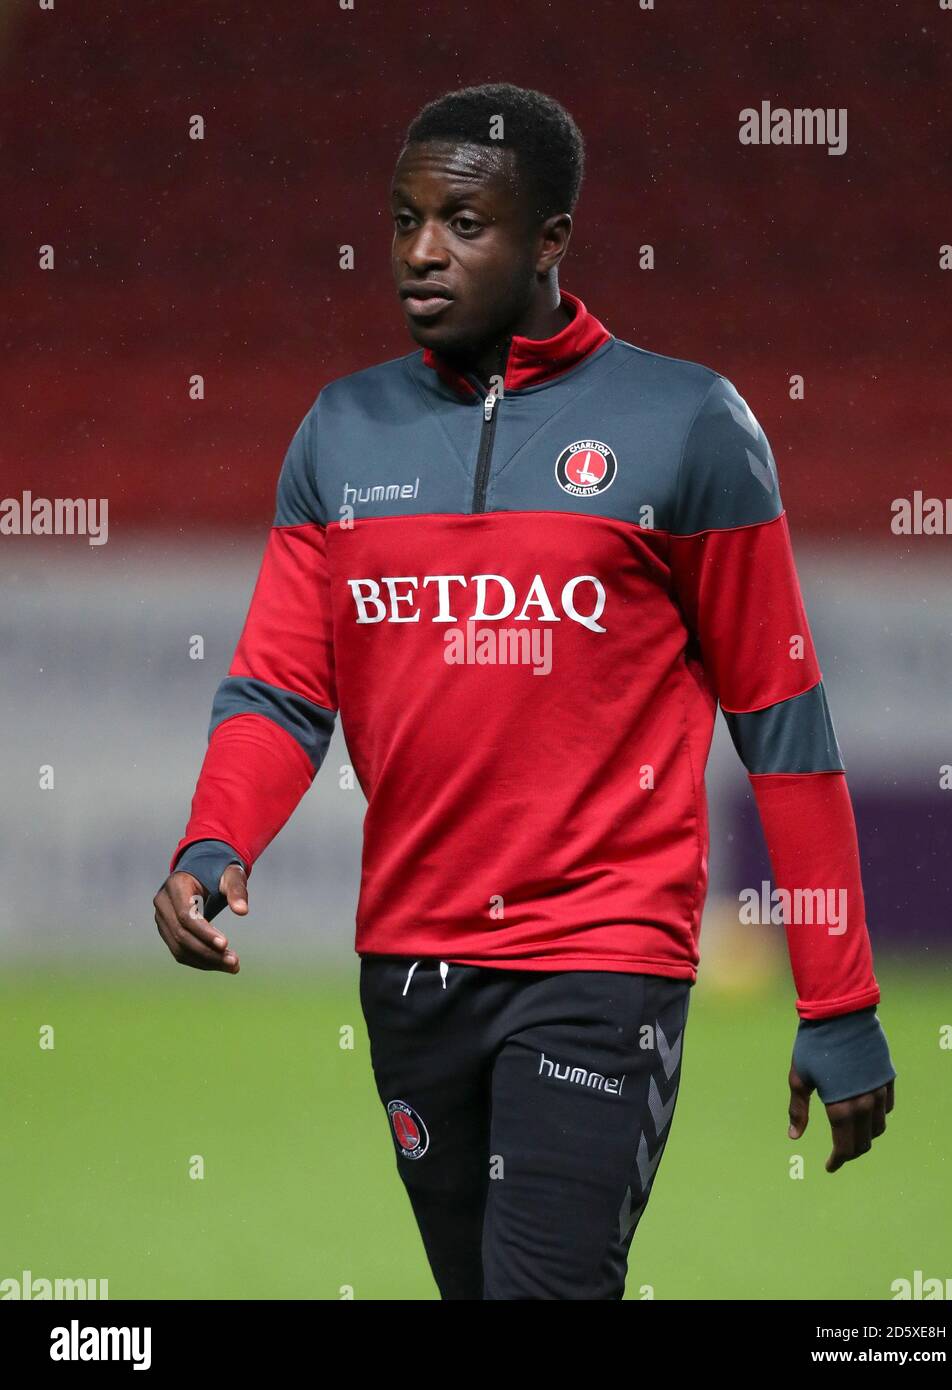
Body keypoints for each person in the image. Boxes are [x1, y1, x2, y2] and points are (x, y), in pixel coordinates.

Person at [153, 82, 896, 1301]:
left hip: (602, 956)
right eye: (402, 220)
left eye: (461, 221)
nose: (419, 253)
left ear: (551, 240)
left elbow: (786, 728)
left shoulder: (688, 426)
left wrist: (840, 997)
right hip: (409, 964)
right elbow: (283, 690)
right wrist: (214, 840)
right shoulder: (341, 433)